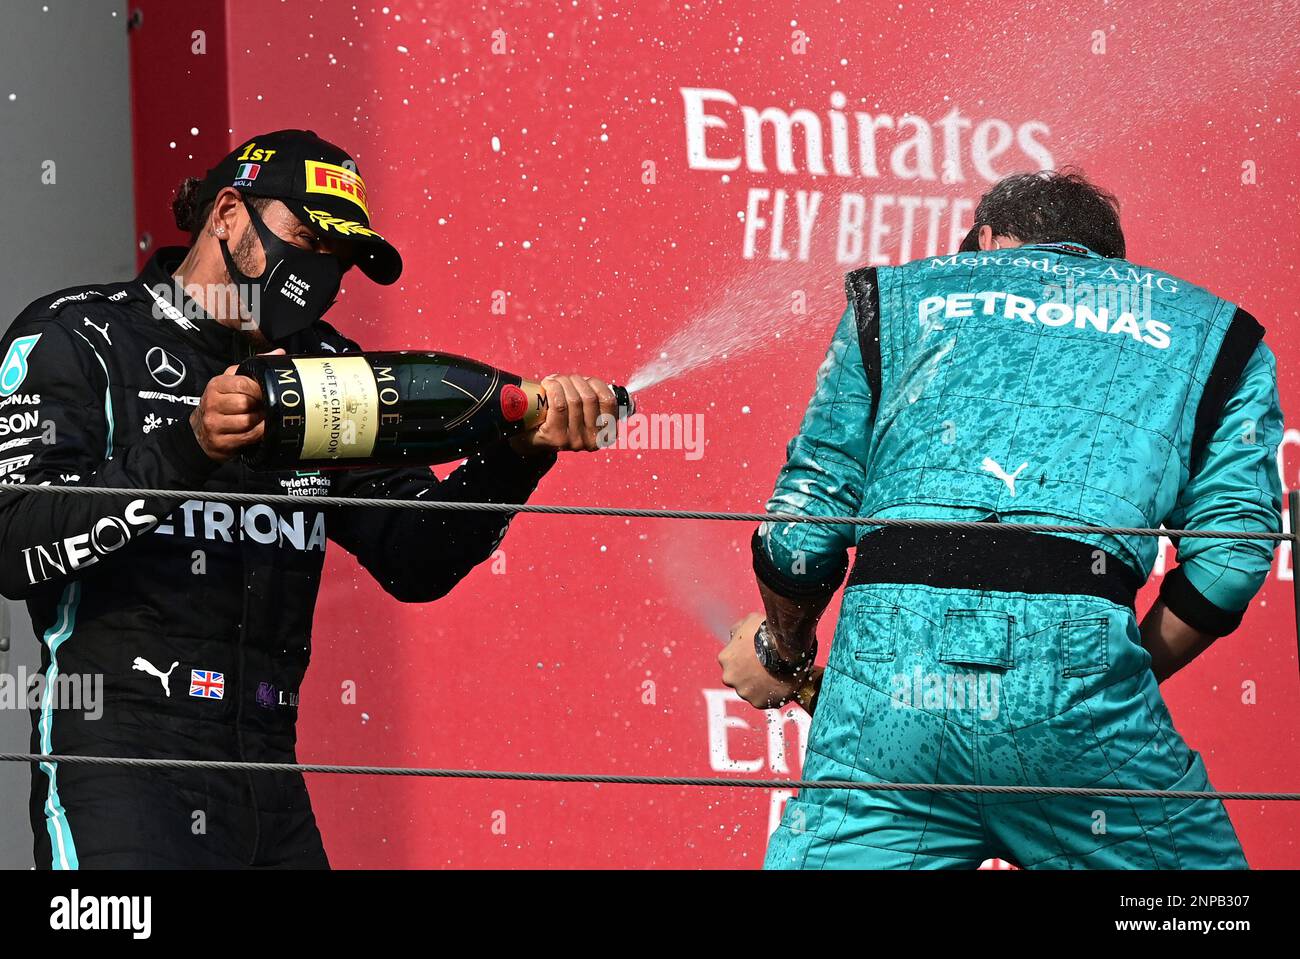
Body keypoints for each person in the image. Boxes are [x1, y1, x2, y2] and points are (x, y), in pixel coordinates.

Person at [0, 129, 616, 869]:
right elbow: (13, 542)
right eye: (308, 241)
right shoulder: (83, 333)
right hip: (121, 763)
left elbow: (415, 558)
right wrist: (186, 446)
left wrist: (520, 456)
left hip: (270, 772)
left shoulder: (325, 367)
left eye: (341, 260)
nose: (322, 274)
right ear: (227, 214)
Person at [718, 169, 1283, 869]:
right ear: (1113, 263)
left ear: (984, 240)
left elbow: (800, 537)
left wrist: (784, 651)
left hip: (887, 711)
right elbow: (1231, 563)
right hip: (1079, 701)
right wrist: (1102, 681)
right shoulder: (1218, 335)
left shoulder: (892, 300)